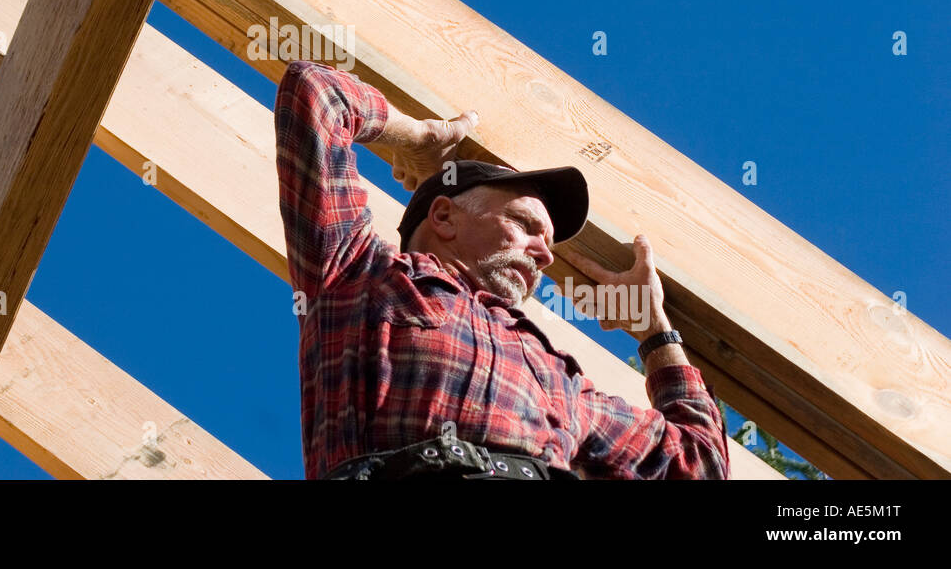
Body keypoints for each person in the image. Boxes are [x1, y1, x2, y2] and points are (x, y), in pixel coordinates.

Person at [274, 59, 730, 480]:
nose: (545, 255)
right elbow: (316, 92)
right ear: (444, 217)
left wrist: (653, 329)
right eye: (525, 225)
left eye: (548, 242)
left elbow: (698, 465)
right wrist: (416, 137)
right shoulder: (359, 271)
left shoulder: (559, 382)